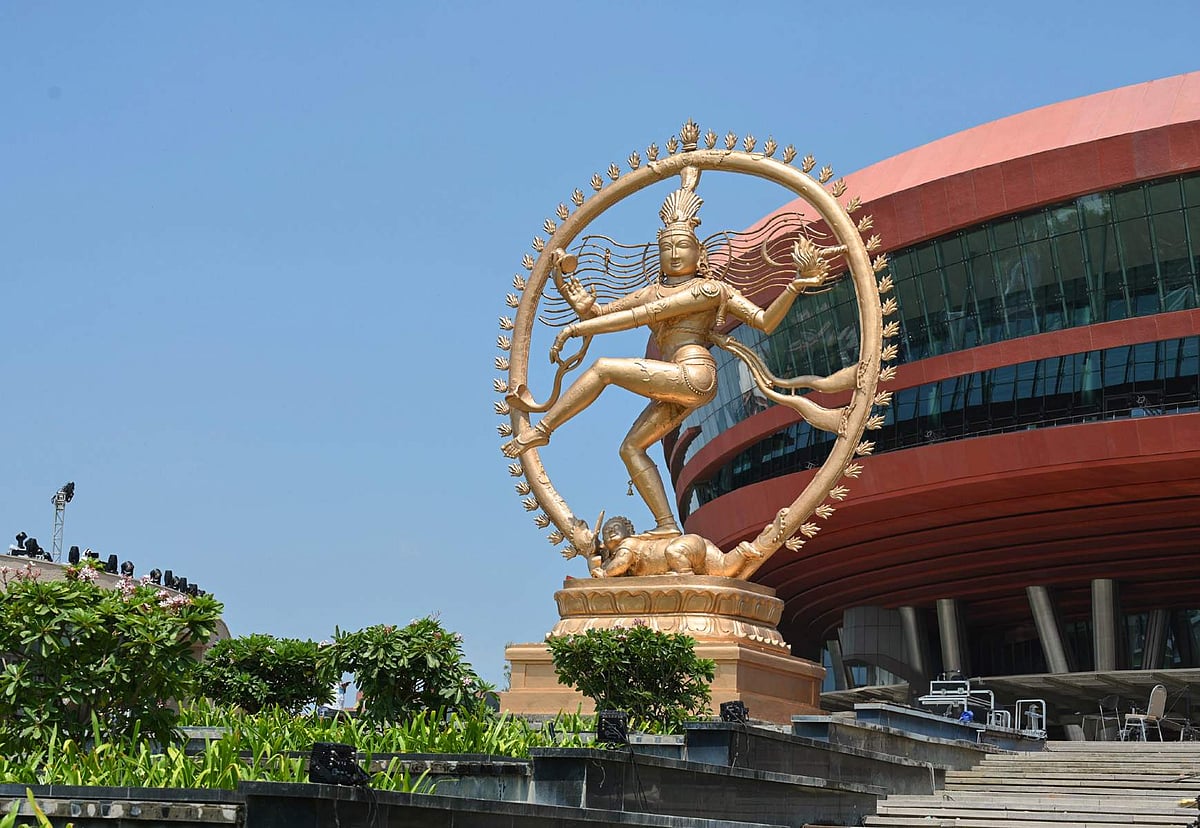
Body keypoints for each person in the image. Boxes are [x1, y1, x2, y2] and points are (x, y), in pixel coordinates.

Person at [503, 166, 834, 540]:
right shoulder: (653, 291)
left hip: (694, 374)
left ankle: (543, 431)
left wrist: (794, 285)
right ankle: (666, 526)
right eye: (667, 247)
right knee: (631, 448)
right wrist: (579, 302)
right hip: (675, 385)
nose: (674, 253)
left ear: (699, 251)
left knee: (603, 369)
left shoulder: (708, 291)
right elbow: (606, 314)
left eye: (682, 246)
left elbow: (760, 321)